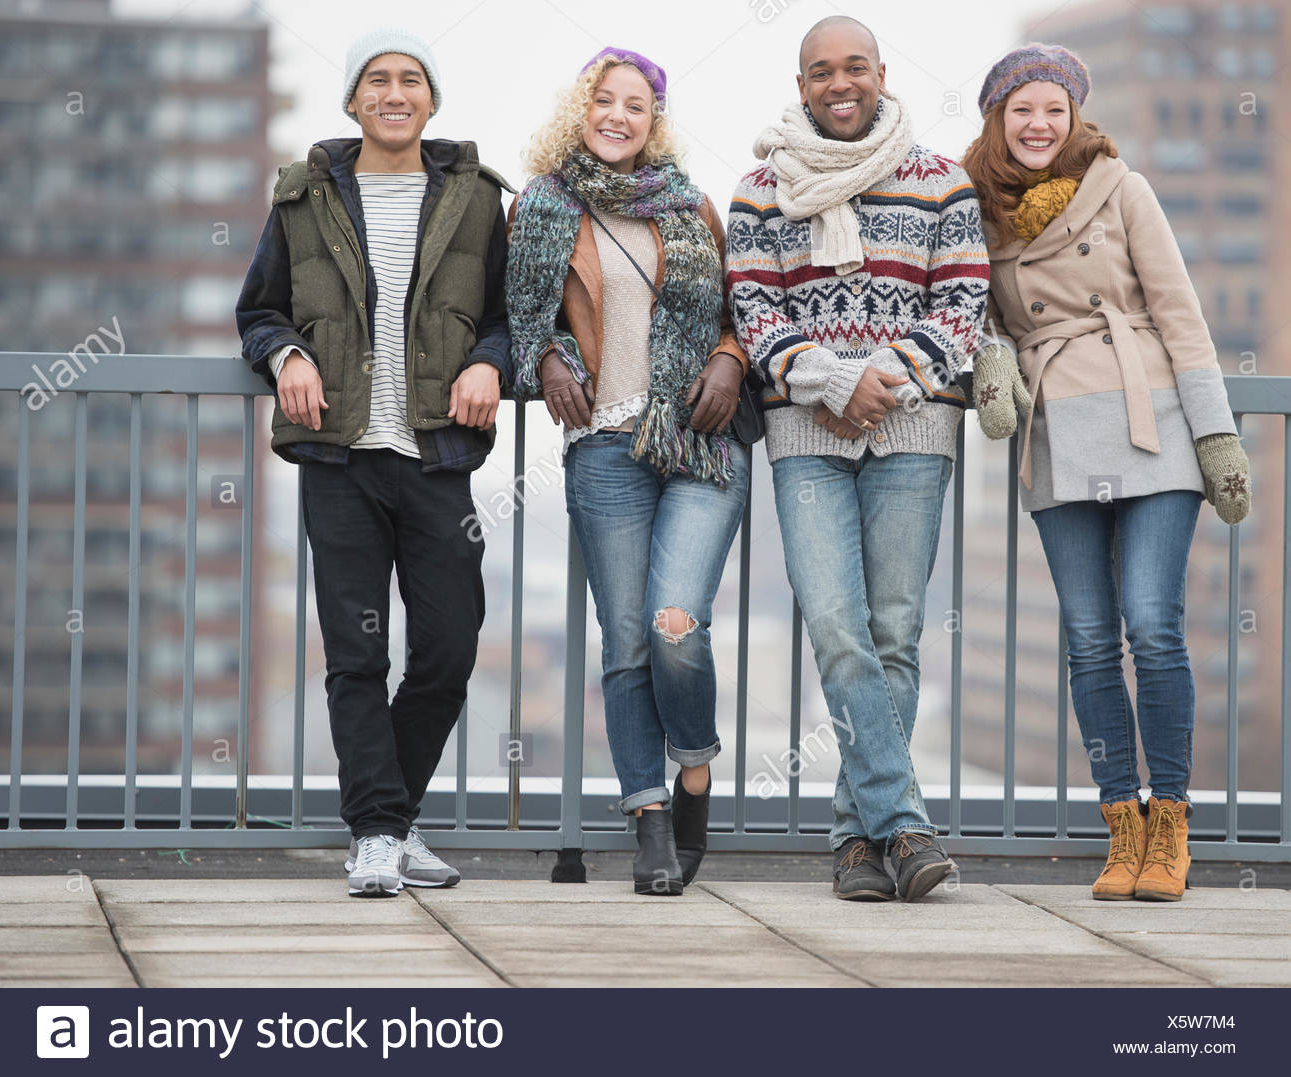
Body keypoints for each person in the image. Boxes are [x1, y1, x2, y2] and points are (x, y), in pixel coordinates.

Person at [962, 44, 1251, 901]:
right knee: (1089, 640)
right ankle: (1120, 825)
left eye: (1054, 109)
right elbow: (975, 312)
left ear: (1075, 115)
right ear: (998, 120)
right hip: (1058, 432)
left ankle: (1171, 826)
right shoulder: (976, 208)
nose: (1039, 124)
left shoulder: (1123, 189)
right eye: (1022, 111)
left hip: (1150, 420)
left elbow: (1181, 315)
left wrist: (1217, 437)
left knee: (1152, 626)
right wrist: (990, 360)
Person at [236, 28, 513, 897]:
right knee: (356, 657)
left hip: (437, 458)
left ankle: (386, 819)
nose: (395, 93)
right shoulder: (302, 197)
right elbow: (258, 312)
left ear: (432, 101)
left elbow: (511, 316)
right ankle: (380, 834)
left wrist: (488, 363)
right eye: (377, 80)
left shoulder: (476, 199)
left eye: (412, 80)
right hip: (340, 460)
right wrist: (287, 358)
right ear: (352, 101)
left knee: (448, 645)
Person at [727, 16, 989, 901]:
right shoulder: (761, 191)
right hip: (807, 436)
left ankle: (854, 840)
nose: (839, 85)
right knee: (837, 624)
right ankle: (904, 824)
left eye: (854, 69)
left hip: (914, 431)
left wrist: (888, 380)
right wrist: (834, 384)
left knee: (895, 631)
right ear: (801, 86)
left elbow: (962, 306)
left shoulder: (941, 180)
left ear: (881, 72)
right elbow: (757, 315)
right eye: (819, 73)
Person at [506, 47, 751, 896]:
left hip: (698, 440)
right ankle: (650, 819)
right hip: (605, 446)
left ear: (655, 121)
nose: (618, 116)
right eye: (603, 101)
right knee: (625, 639)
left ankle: (693, 771)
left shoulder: (692, 207)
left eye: (635, 106)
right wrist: (544, 358)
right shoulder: (541, 208)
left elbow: (738, 312)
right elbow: (522, 318)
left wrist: (725, 359)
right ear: (580, 111)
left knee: (674, 622)